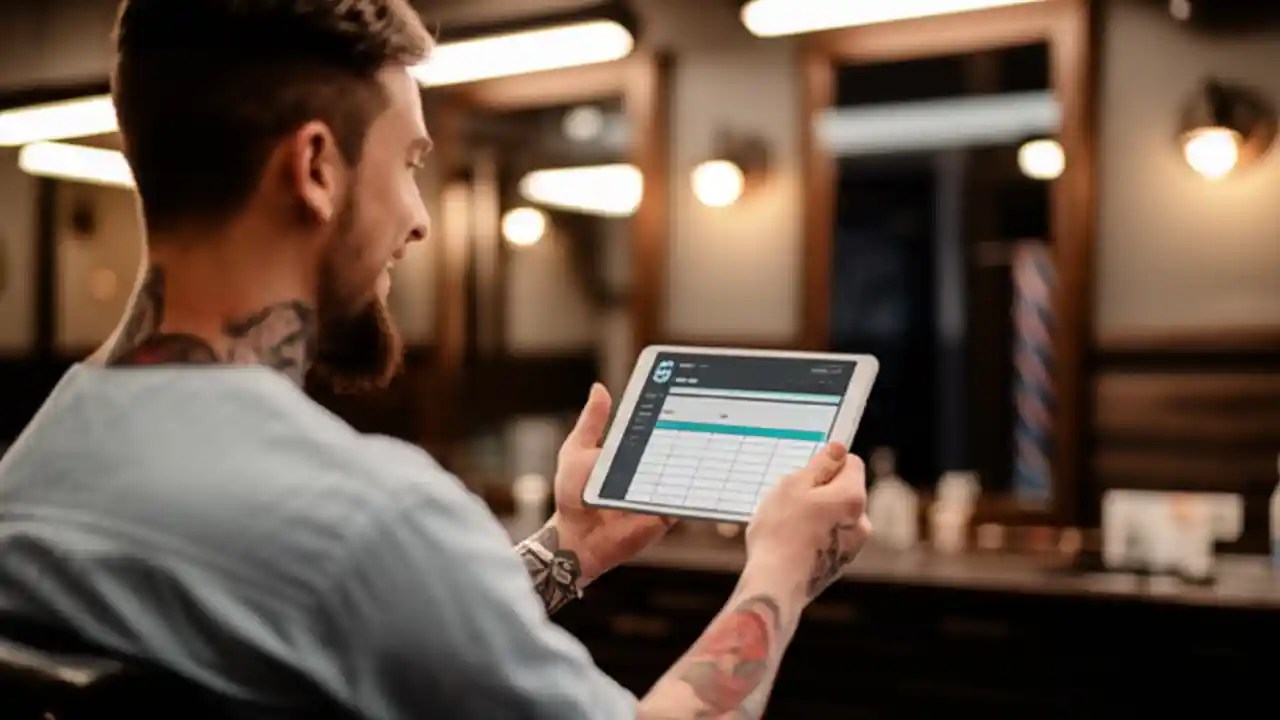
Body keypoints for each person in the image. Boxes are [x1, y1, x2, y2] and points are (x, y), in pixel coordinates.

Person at [0, 1, 871, 718]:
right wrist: (780, 571)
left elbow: (343, 628)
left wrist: (572, 546)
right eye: (411, 162)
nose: (419, 219)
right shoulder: (366, 518)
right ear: (316, 167)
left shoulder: (37, 463)